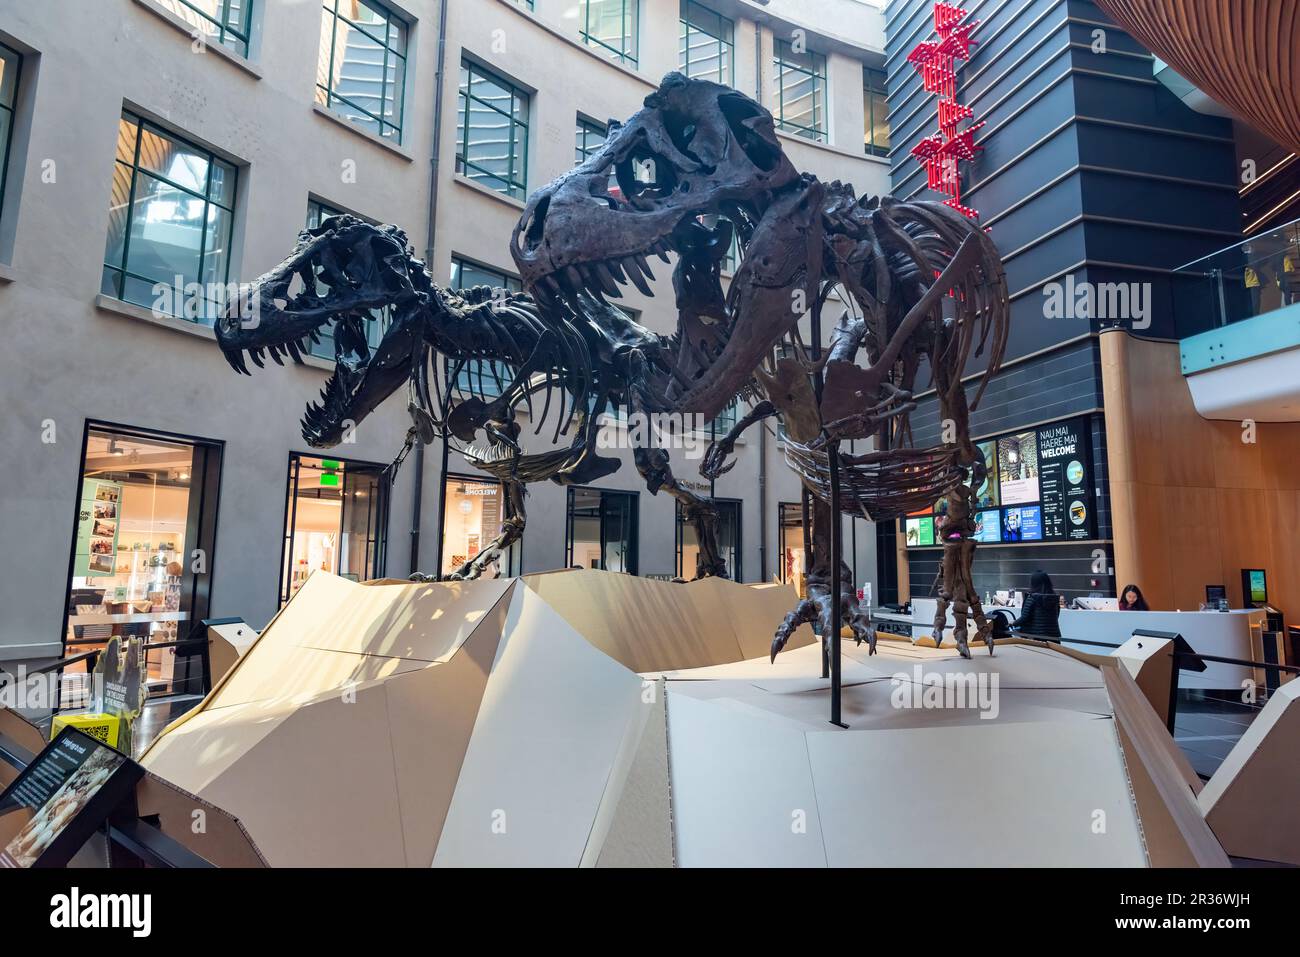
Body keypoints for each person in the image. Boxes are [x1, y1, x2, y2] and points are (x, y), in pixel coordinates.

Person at [1013, 570, 1061, 639]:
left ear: (1033, 583)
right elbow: (1057, 616)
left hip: (1036, 637)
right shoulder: (1054, 598)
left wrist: (1013, 623)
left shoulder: (1032, 597)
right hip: (1054, 637)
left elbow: (1024, 618)